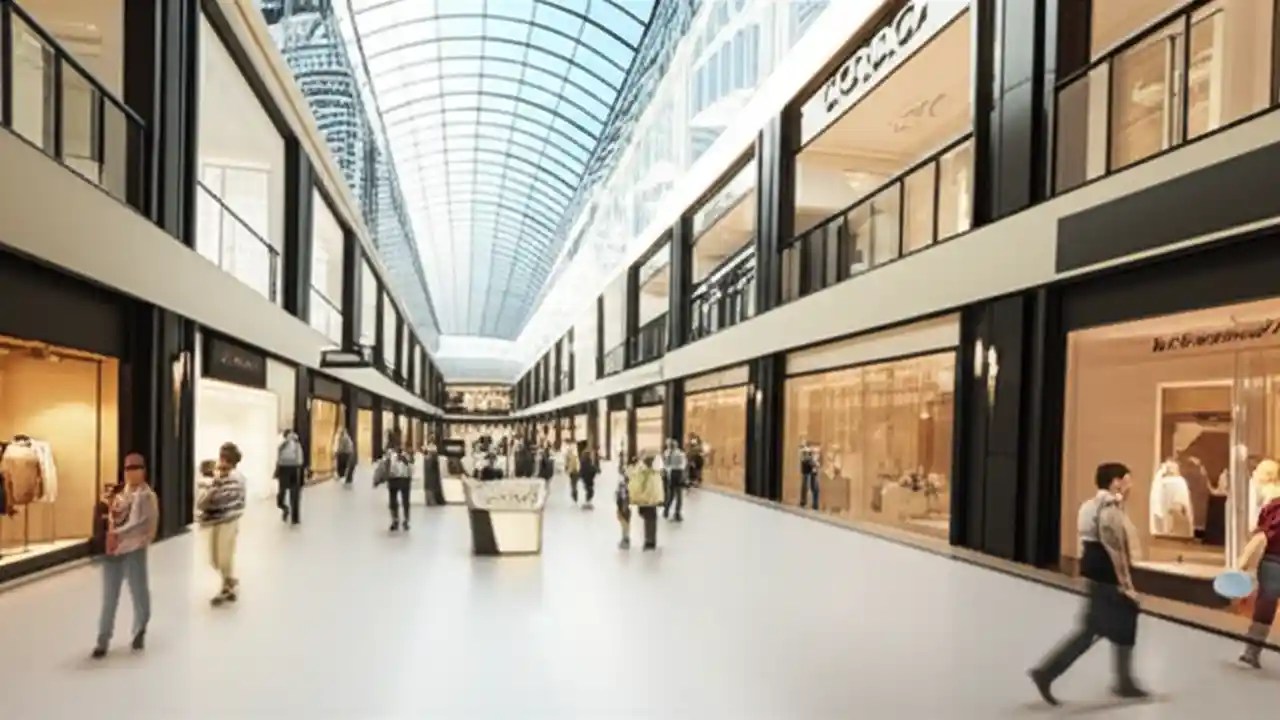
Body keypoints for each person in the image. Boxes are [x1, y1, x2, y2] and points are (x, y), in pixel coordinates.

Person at [1029, 462, 1149, 706]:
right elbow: (1115, 551)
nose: (1130, 485)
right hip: (1107, 578)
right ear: (1115, 481)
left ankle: (1124, 681)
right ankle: (1047, 672)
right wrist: (1127, 586)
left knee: (1120, 623)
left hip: (1095, 575)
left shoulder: (1088, 506)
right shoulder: (1109, 510)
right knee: (1092, 630)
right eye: (1127, 479)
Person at [93, 452, 158, 659]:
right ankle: (103, 640)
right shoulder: (120, 496)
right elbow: (112, 519)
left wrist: (141, 540)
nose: (131, 473)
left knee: (138, 592)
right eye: (128, 469)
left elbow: (149, 524)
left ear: (143, 470)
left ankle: (140, 629)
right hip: (113, 551)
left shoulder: (147, 496)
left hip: (134, 549)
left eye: (136, 468)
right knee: (109, 597)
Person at [1236, 482, 1280, 668]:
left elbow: (1260, 531)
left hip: (1271, 559)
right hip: (1274, 560)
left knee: (1265, 606)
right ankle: (1251, 651)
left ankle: (1251, 651)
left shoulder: (1274, 505)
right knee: (1265, 607)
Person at [197, 444, 247, 606]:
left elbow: (235, 499)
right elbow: (202, 500)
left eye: (226, 459)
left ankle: (226, 588)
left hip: (229, 520)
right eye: (222, 457)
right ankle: (229, 581)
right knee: (214, 559)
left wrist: (216, 487)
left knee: (225, 556)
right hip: (213, 520)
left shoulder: (237, 478)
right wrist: (214, 483)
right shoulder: (214, 477)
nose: (223, 461)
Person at [626, 452, 665, 552]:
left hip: (648, 500)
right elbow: (634, 480)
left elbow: (655, 486)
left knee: (650, 519)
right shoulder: (646, 470)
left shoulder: (652, 472)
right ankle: (650, 540)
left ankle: (650, 541)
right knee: (648, 518)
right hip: (645, 499)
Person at [374, 437, 414, 531]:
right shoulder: (389, 454)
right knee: (394, 500)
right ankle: (396, 519)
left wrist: (405, 459)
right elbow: (383, 467)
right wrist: (378, 479)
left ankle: (405, 520)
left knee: (404, 501)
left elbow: (411, 464)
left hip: (404, 478)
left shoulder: (406, 454)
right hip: (394, 479)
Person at [274, 429, 306, 524]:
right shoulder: (283, 445)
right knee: (281, 494)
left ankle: (295, 518)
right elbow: (278, 457)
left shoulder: (296, 444)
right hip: (284, 469)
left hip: (294, 469)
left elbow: (300, 460)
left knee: (294, 496)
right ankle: (285, 508)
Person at [663, 438, 688, 522]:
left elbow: (666, 465)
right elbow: (683, 464)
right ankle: (677, 514)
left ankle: (666, 510)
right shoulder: (680, 453)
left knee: (671, 495)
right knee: (679, 496)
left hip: (671, 474)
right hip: (678, 474)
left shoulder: (667, 453)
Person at [575, 441, 598, 509]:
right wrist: (595, 470)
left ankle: (588, 502)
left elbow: (586, 468)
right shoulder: (586, 461)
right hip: (588, 478)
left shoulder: (584, 460)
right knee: (590, 490)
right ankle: (587, 503)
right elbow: (588, 468)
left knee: (589, 490)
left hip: (587, 478)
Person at [422, 436, 444, 506]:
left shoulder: (430, 448)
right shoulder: (432, 448)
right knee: (431, 483)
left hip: (431, 467)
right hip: (431, 468)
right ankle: (431, 499)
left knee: (431, 483)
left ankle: (430, 499)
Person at [799, 440, 820, 510]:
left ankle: (814, 504)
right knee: (808, 486)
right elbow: (806, 460)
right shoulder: (806, 451)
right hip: (807, 471)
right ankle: (805, 502)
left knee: (813, 487)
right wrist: (814, 463)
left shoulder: (808, 451)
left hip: (811, 471)